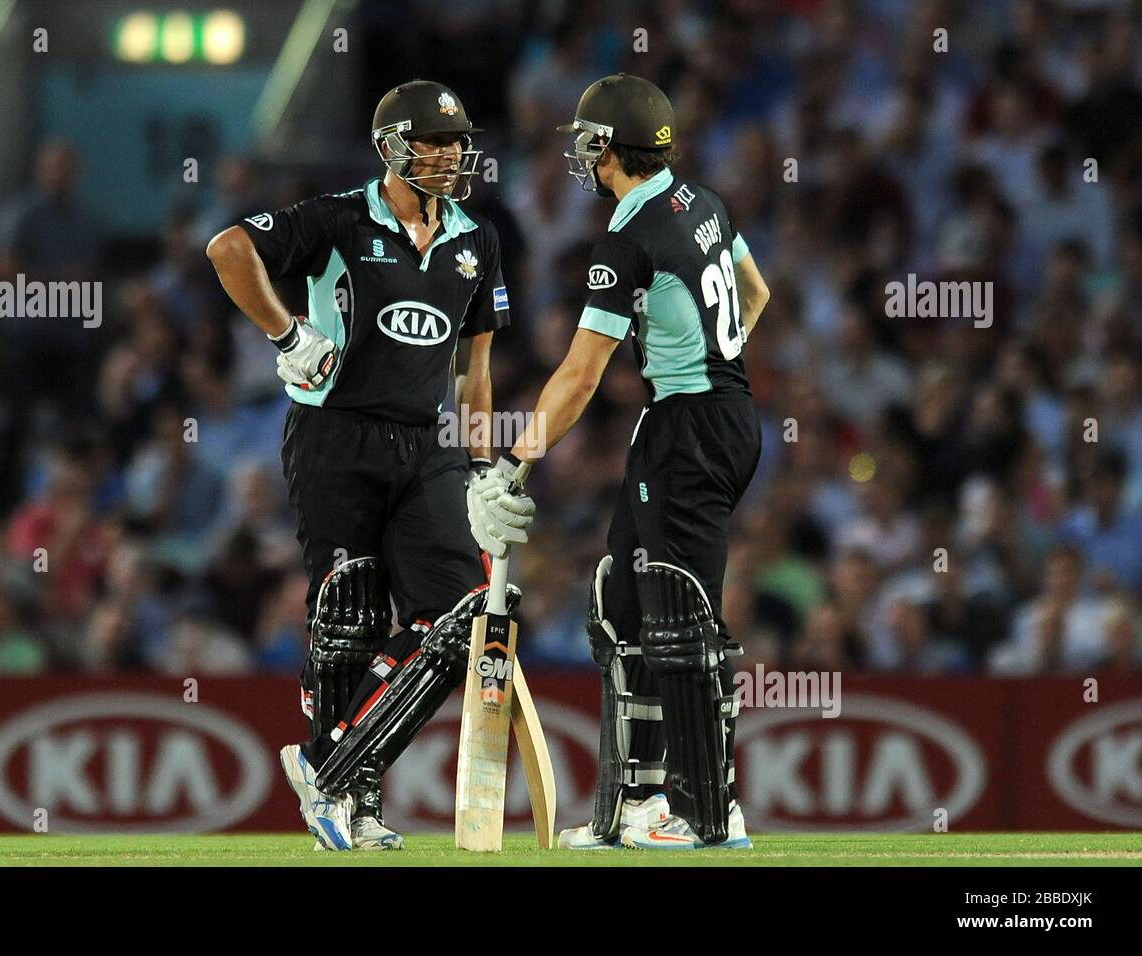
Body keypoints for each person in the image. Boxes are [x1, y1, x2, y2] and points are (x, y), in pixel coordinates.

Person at [207, 80, 512, 851]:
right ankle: (357, 801)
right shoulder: (337, 217)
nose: (447, 156)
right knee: (349, 615)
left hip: (428, 443)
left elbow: (475, 374)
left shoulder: (477, 239)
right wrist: (286, 335)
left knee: (469, 615)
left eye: (454, 142)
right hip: (334, 433)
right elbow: (229, 249)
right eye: (430, 142)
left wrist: (483, 470)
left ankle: (331, 767)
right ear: (389, 149)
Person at [469, 74, 770, 850]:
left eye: (585, 140)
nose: (580, 153)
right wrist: (706, 360)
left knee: (681, 617)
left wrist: (515, 464)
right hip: (709, 414)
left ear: (607, 145)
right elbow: (755, 291)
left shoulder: (631, 232)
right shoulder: (701, 200)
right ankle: (639, 804)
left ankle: (710, 810)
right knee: (624, 603)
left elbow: (579, 373)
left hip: (689, 424)